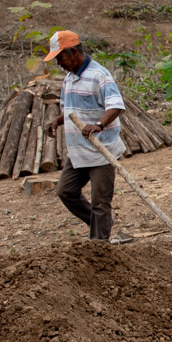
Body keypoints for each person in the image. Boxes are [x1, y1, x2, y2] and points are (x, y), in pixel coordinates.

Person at [43, 30, 127, 241]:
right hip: (78, 150)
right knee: (66, 191)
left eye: (60, 58)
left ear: (72, 52)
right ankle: (101, 222)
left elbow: (116, 106)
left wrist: (99, 125)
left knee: (100, 202)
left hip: (101, 149)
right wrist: (57, 121)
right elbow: (72, 110)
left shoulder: (99, 75)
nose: (59, 64)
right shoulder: (69, 78)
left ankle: (100, 248)